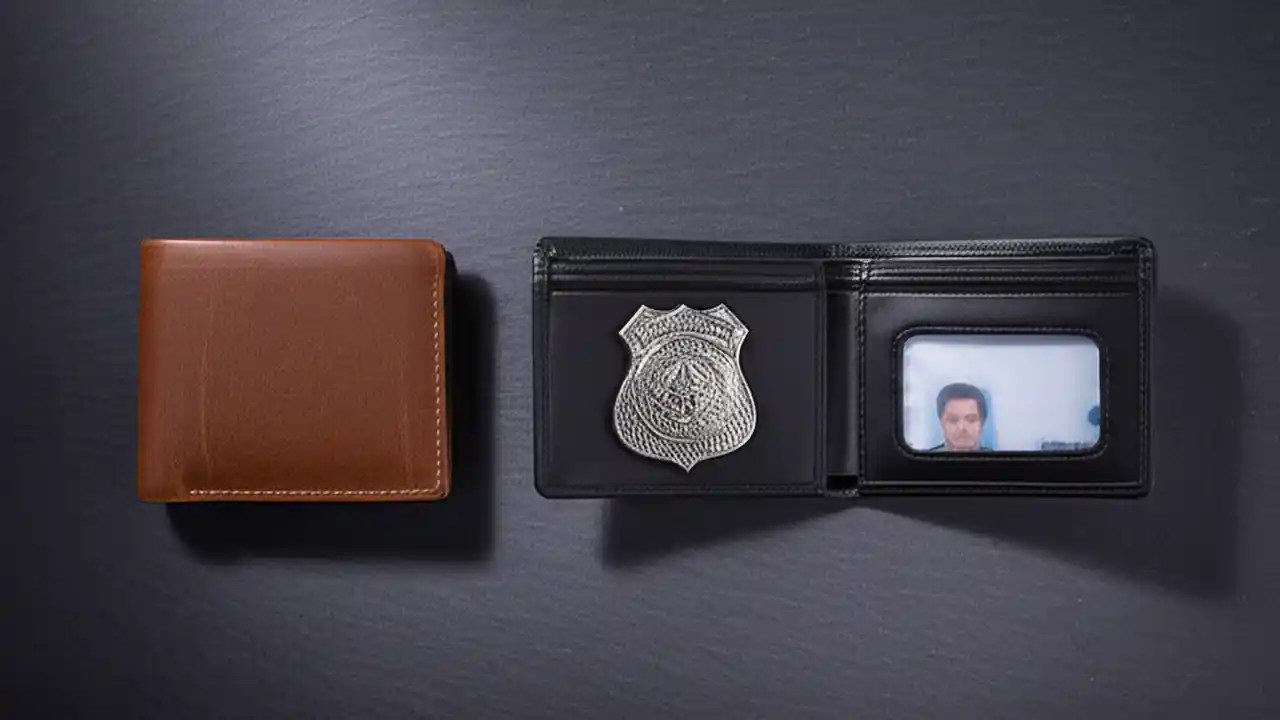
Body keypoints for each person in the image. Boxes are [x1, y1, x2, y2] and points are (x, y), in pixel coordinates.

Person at [929, 382, 993, 452]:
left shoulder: (998, 460)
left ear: (982, 422)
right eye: (953, 420)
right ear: (941, 422)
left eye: (971, 420)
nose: (961, 428)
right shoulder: (925, 460)